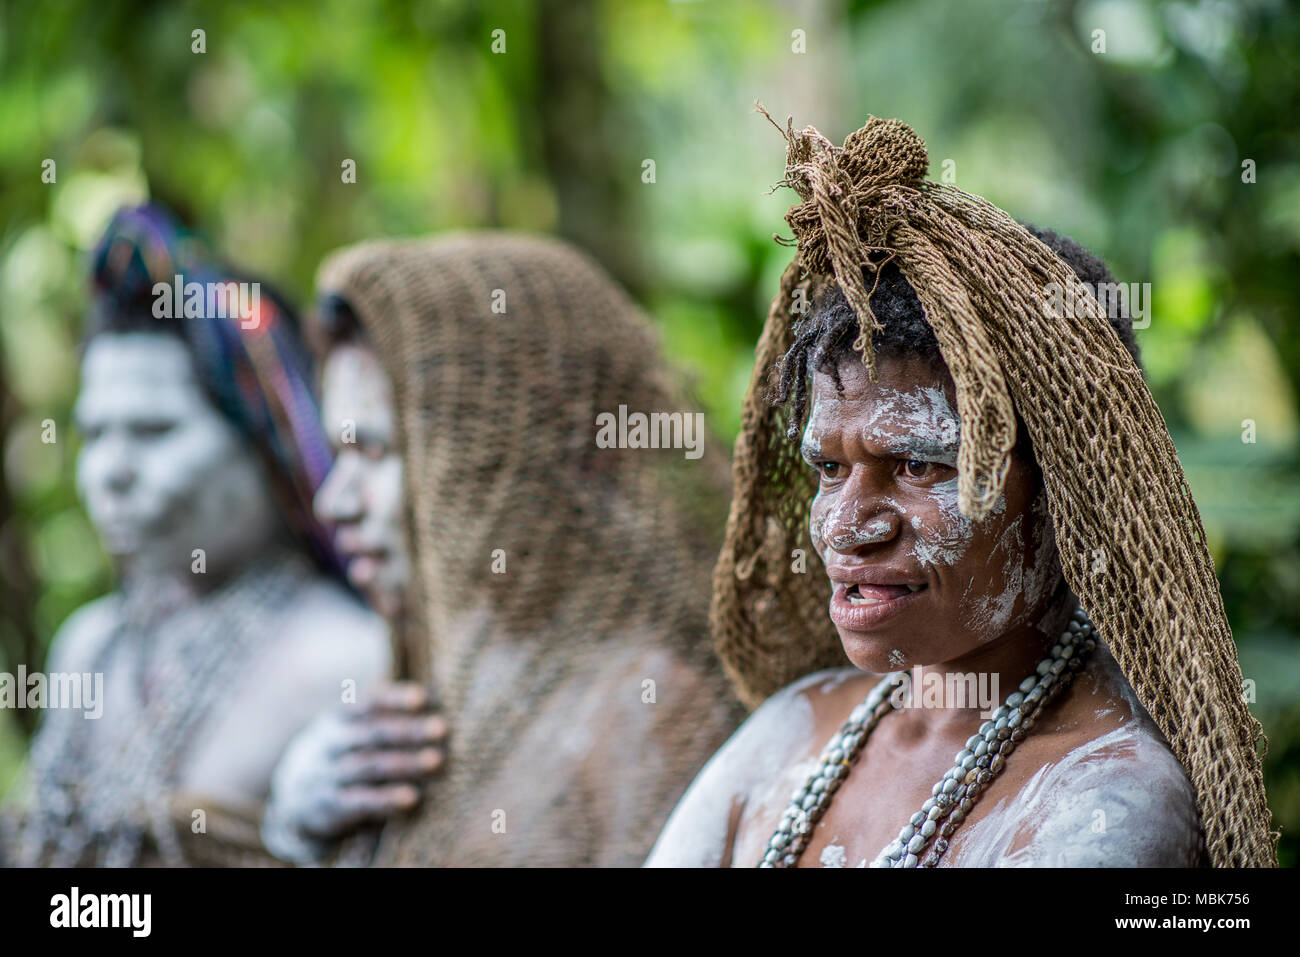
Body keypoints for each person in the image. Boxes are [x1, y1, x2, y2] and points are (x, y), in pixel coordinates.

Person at [647, 112, 1277, 868]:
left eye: (918, 466)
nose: (847, 527)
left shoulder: (1104, 801)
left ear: (1065, 496)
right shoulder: (792, 731)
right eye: (830, 469)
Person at [262, 231, 745, 866]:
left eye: (375, 453)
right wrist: (294, 829)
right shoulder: (422, 668)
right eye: (337, 455)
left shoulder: (646, 707)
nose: (335, 503)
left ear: (506, 451)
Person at [1, 204, 389, 867]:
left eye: (155, 431)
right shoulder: (89, 647)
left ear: (270, 450)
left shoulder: (350, 661)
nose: (111, 472)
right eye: (95, 433)